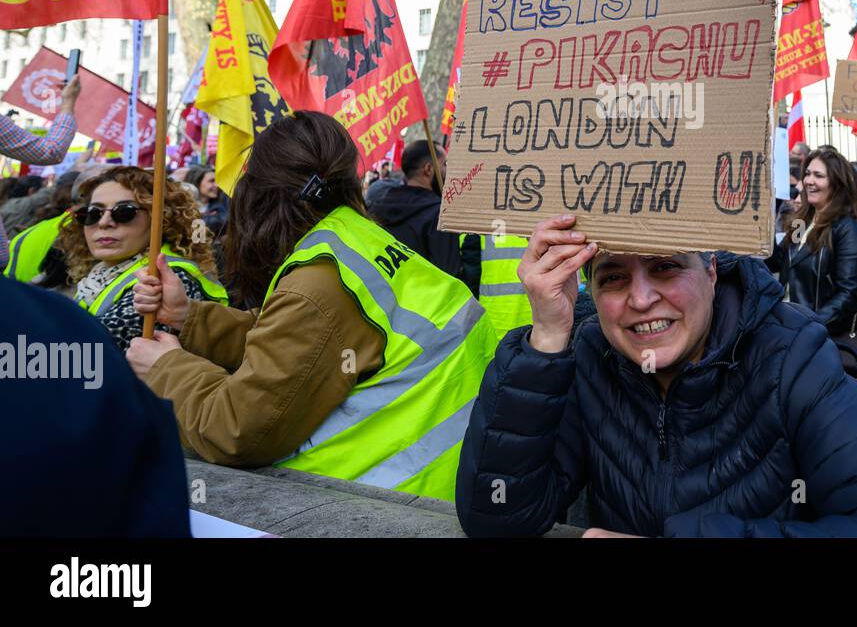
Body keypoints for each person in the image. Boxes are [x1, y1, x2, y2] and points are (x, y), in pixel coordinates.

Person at [455, 214, 857, 537]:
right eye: (613, 277)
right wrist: (545, 338)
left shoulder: (791, 355)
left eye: (666, 267)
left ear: (712, 269)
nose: (641, 298)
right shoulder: (588, 353)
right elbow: (495, 517)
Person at [127, 112, 497, 500]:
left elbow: (237, 430)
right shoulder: (356, 238)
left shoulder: (320, 279)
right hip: (450, 486)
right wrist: (188, 317)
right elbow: (294, 343)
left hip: (380, 505)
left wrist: (165, 369)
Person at [0, 277, 191, 536]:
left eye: (118, 230)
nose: (103, 233)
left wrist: (169, 365)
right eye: (87, 231)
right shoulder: (59, 315)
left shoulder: (61, 322)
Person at [57, 166, 227, 353]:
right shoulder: (101, 274)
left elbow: (80, 356)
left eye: (124, 211)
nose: (104, 222)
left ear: (162, 219)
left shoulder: (167, 279)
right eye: (93, 213)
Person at [767, 147, 857, 373]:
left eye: (818, 175)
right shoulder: (800, 223)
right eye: (808, 174)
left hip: (816, 341)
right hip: (784, 331)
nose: (809, 181)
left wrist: (809, 325)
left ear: (837, 183)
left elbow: (848, 294)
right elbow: (777, 262)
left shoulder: (848, 231)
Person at [368, 139, 462, 280]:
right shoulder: (439, 215)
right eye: (445, 164)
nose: (449, 171)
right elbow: (449, 277)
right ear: (429, 169)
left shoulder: (377, 208)